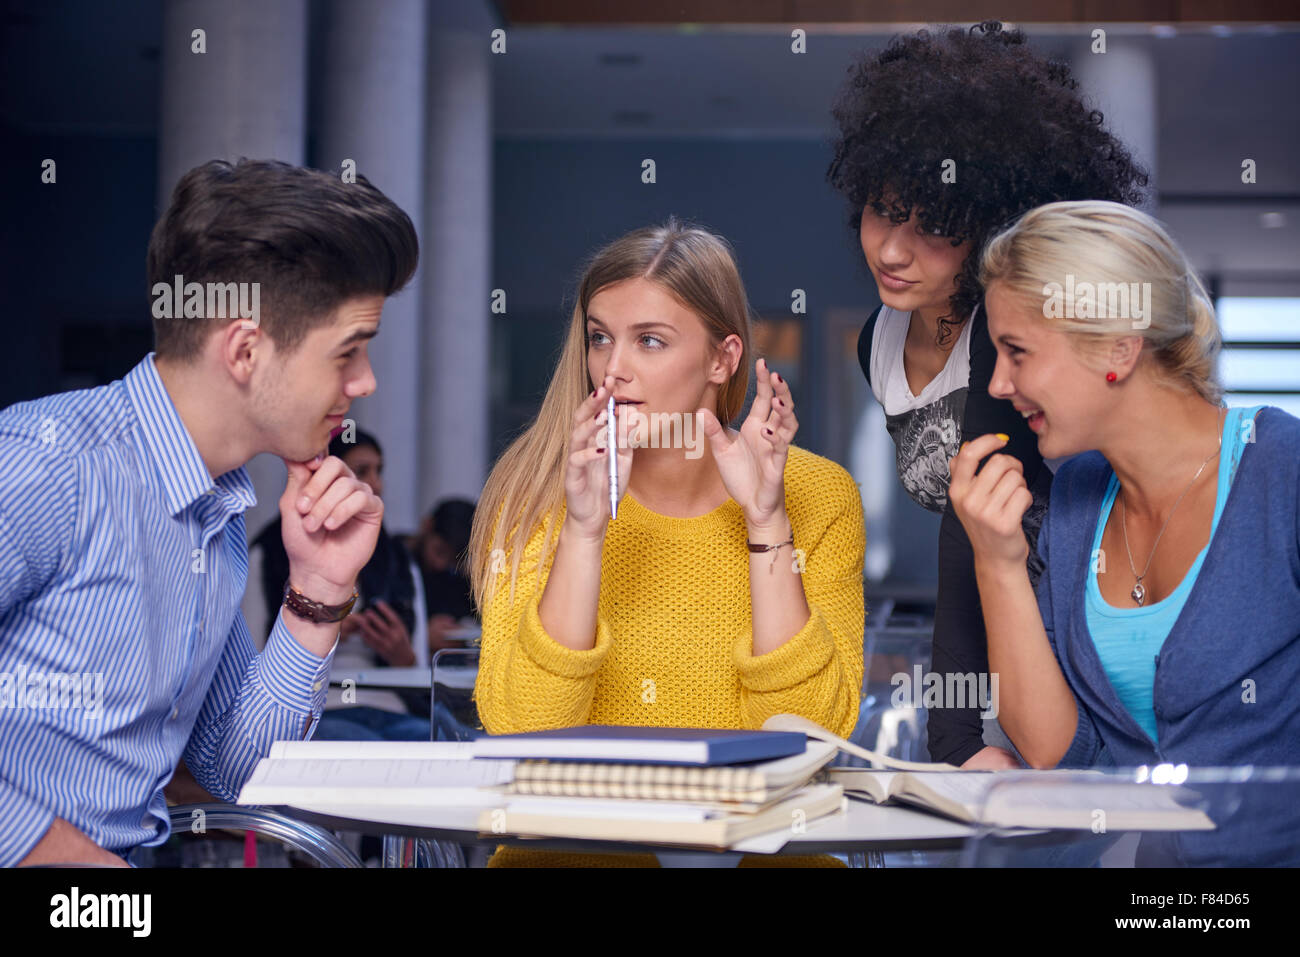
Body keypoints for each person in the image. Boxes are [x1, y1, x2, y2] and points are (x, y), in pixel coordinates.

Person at [0, 158, 418, 866]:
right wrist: (62, 859)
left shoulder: (214, 511)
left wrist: (316, 594)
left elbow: (236, 770)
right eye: (348, 351)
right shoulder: (46, 462)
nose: (366, 381)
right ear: (246, 349)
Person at [469, 218, 865, 866]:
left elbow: (809, 736)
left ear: (722, 357)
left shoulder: (819, 494)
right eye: (600, 338)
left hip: (765, 848)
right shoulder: (539, 487)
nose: (613, 370)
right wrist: (585, 531)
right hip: (578, 853)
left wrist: (766, 524)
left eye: (649, 341)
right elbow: (526, 733)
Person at [826, 19, 1149, 768]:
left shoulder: (1004, 350)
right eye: (882, 210)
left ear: (994, 227)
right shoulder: (878, 338)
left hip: (1068, 658)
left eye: (933, 225)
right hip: (997, 627)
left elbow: (964, 551)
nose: (893, 248)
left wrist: (957, 743)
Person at [948, 200, 1300, 865]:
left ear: (1117, 347)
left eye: (1016, 351)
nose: (998, 382)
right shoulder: (1078, 498)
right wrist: (997, 562)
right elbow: (1060, 753)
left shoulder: (1280, 468)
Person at [244, 428, 431, 741]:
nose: (376, 484)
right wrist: (323, 634)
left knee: (450, 743)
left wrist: (402, 654)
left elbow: (422, 670)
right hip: (318, 710)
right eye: (361, 471)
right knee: (373, 752)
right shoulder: (271, 554)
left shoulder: (396, 560)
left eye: (379, 471)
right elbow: (249, 658)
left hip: (390, 705)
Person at [409, 498, 477, 652]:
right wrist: (420, 635)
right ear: (427, 526)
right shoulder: (395, 563)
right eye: (439, 551)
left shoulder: (454, 576)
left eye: (452, 559)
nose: (441, 564)